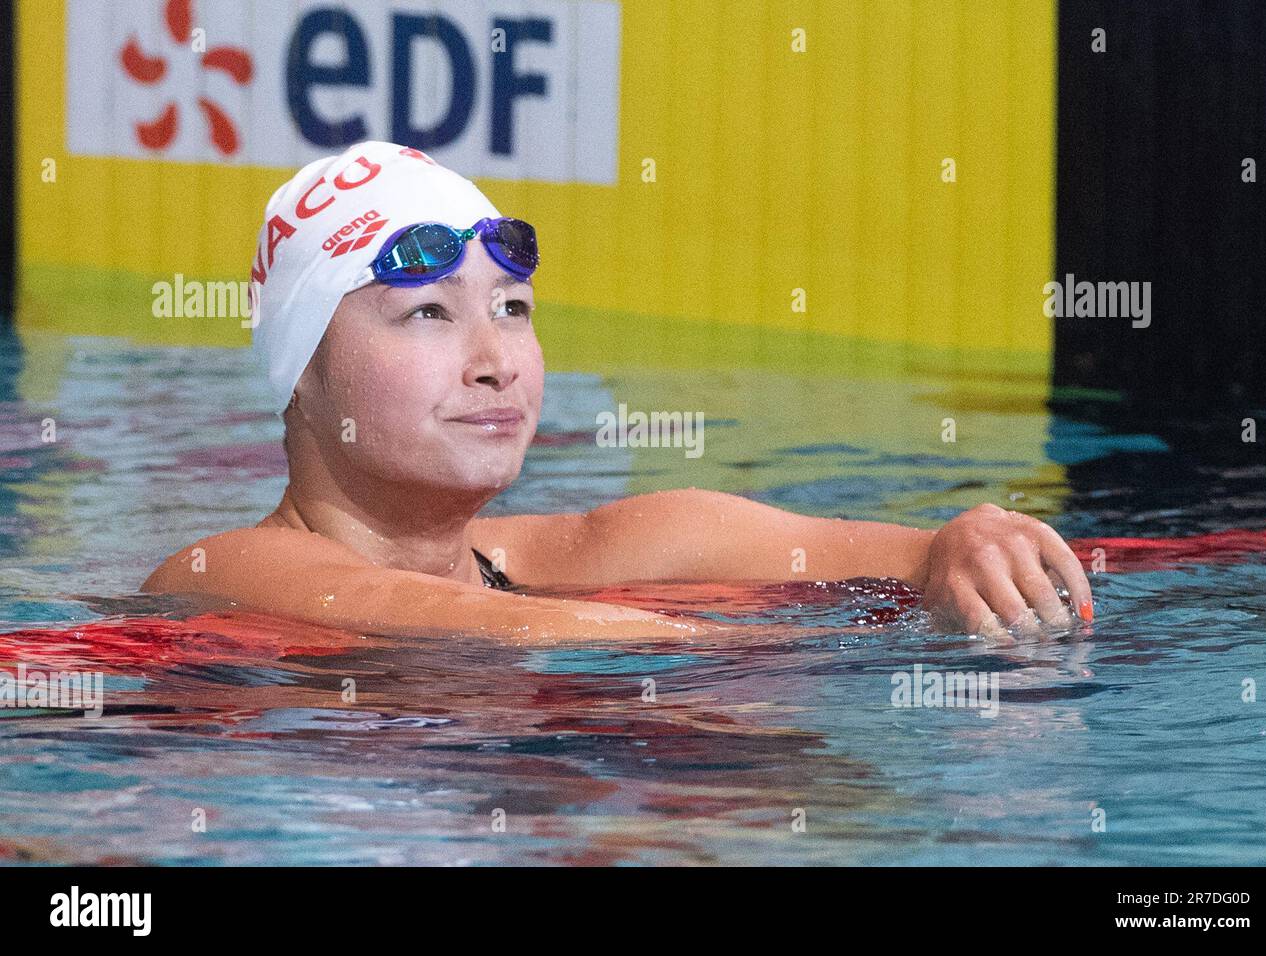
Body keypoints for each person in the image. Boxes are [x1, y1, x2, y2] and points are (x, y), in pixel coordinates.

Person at [143, 141, 1093, 643]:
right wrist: (742, 651)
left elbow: (896, 555)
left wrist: (959, 545)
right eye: (429, 314)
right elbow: (454, 625)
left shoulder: (552, 556)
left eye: (512, 309)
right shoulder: (228, 576)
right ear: (303, 370)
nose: (496, 359)